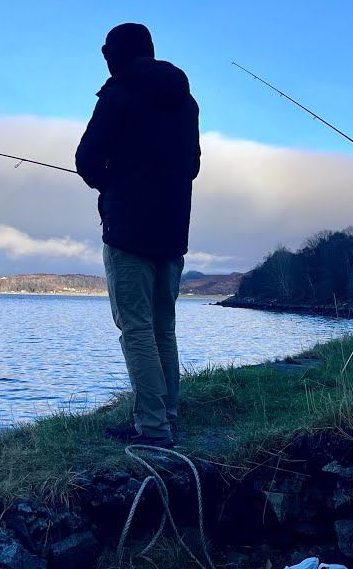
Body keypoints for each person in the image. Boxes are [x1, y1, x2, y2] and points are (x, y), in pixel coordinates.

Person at [75, 23, 201, 448]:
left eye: (107, 52)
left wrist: (111, 184)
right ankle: (167, 415)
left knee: (137, 329)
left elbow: (86, 157)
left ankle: (153, 428)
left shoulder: (117, 94)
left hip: (128, 229)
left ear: (117, 55)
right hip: (173, 229)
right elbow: (193, 165)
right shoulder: (187, 102)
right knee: (163, 326)